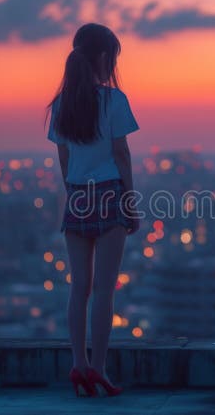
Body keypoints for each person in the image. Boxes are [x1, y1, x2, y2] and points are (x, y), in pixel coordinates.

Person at [46, 23, 140, 397]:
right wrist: (129, 203)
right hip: (109, 193)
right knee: (104, 290)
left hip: (77, 195)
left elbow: (64, 159)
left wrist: (74, 191)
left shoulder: (61, 105)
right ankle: (99, 369)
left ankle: (78, 365)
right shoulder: (114, 101)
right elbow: (121, 154)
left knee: (78, 287)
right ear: (104, 58)